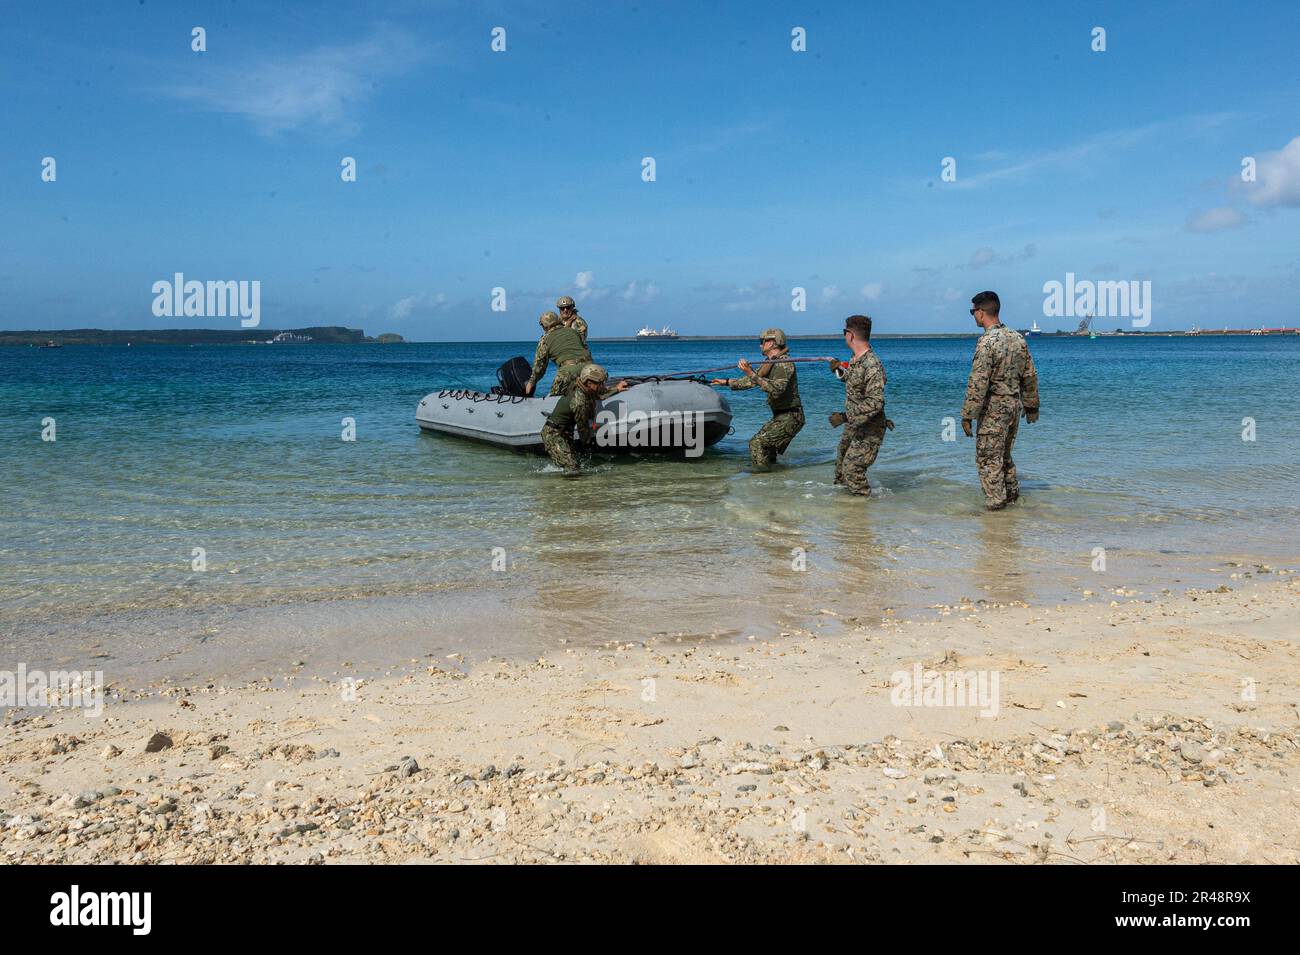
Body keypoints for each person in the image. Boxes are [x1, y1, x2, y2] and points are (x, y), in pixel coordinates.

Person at [960, 291, 1040, 509]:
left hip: (994, 407)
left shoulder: (987, 343)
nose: (973, 316)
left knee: (988, 459)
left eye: (972, 311)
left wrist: (967, 415)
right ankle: (1012, 502)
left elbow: (978, 382)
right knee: (1004, 456)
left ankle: (996, 508)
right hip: (1013, 405)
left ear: (981, 312)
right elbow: (1030, 375)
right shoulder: (1017, 338)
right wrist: (1032, 405)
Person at [710, 328, 803, 469]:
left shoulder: (784, 363)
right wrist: (726, 382)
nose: (760, 345)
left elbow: (777, 390)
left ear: (772, 342)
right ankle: (774, 479)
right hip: (781, 416)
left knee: (756, 443)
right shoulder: (770, 362)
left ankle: (762, 477)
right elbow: (751, 381)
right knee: (767, 450)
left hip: (791, 416)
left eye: (762, 341)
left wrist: (750, 372)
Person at [827, 314, 891, 496]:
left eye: (844, 332)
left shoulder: (872, 364)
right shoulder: (856, 360)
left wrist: (845, 417)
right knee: (841, 470)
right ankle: (846, 514)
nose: (844, 336)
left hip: (870, 427)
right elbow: (854, 382)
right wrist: (839, 370)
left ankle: (861, 514)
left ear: (850, 334)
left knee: (852, 470)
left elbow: (875, 402)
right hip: (854, 425)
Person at [540, 364, 629, 474]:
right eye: (600, 383)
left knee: (574, 465)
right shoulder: (579, 402)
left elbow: (600, 393)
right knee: (572, 470)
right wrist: (589, 444)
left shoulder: (583, 387)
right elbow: (582, 426)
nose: (602, 385)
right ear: (589, 383)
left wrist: (617, 388)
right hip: (553, 434)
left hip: (565, 432)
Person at [526, 311, 592, 397]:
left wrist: (531, 382)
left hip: (568, 371)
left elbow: (540, 366)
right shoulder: (573, 331)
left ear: (545, 326)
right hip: (590, 367)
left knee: (554, 400)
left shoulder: (545, 340)